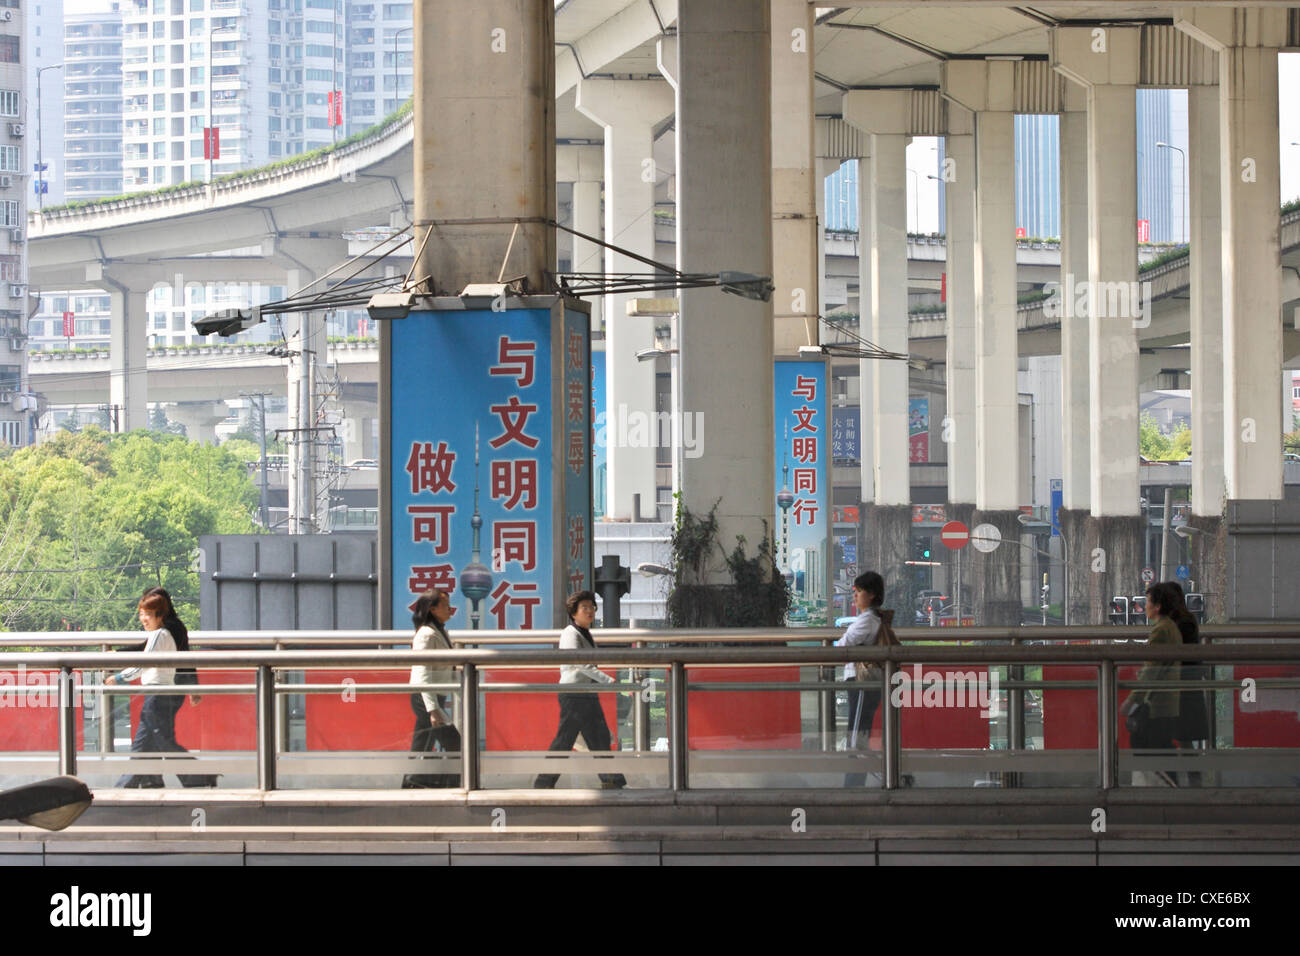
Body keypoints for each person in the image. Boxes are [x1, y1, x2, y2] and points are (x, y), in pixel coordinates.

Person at [109, 591, 215, 788]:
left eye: (147, 614)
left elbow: (144, 661)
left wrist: (118, 677)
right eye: (141, 613)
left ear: (160, 614)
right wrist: (193, 687)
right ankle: (149, 780)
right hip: (163, 691)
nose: (143, 619)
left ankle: (131, 784)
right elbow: (182, 657)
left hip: (159, 693)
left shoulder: (162, 633)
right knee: (150, 740)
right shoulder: (171, 630)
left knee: (157, 740)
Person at [534, 591, 626, 790]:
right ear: (573, 612)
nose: (590, 611)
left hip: (585, 693)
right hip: (574, 694)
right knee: (564, 740)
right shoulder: (570, 633)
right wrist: (608, 680)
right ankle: (544, 782)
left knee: (599, 736)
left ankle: (612, 779)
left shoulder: (585, 632)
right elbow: (580, 662)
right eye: (584, 607)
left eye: (592, 607)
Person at [1122, 581, 1184, 787]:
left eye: (1148, 601)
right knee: (1161, 746)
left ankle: (1165, 789)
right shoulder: (1170, 628)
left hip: (1158, 704)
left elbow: (1151, 670)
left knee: (1147, 745)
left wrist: (1132, 700)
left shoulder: (1160, 631)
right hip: (1168, 702)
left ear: (1157, 606)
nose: (1144, 605)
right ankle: (1170, 788)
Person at [403, 590, 461, 789]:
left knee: (422, 743)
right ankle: (455, 785)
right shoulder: (427, 635)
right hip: (425, 697)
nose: (449, 610)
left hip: (432, 696)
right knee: (456, 744)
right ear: (433, 609)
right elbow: (423, 673)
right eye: (445, 606)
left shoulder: (439, 630)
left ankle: (411, 782)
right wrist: (432, 709)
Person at [838, 571, 886, 787]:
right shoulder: (872, 618)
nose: (855, 596)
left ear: (872, 594)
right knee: (858, 737)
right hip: (863, 682)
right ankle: (870, 778)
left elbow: (843, 644)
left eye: (859, 591)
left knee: (856, 738)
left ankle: (853, 785)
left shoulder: (867, 620)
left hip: (862, 682)